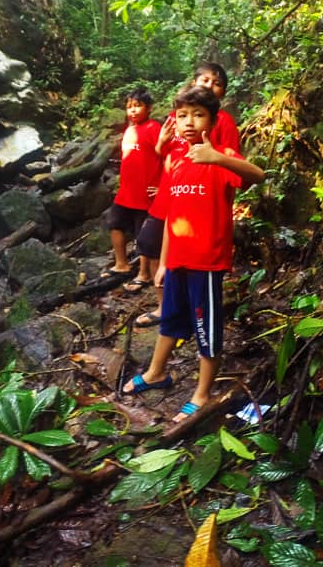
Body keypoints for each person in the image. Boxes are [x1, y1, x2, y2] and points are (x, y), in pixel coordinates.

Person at [122, 85, 265, 423]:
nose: (189, 122)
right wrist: (165, 262)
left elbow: (258, 176)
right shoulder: (175, 158)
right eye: (182, 115)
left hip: (207, 262)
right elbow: (173, 215)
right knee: (170, 320)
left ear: (213, 121)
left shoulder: (222, 156)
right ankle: (156, 372)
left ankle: (201, 395)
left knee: (207, 332)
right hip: (179, 262)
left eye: (198, 115)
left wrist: (218, 157)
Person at [129, 61, 240, 318]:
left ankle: (187, 309)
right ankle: (164, 306)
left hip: (198, 196)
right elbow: (165, 155)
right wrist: (160, 145)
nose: (210, 85)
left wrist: (224, 208)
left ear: (222, 93)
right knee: (148, 241)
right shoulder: (176, 116)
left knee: (183, 254)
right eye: (206, 80)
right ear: (194, 82)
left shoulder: (222, 122)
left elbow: (231, 167)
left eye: (217, 83)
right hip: (171, 190)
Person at [105, 88, 162, 275]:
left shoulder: (154, 128)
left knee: (142, 235)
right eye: (129, 107)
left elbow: (166, 156)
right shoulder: (129, 130)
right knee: (114, 222)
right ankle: (121, 263)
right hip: (126, 191)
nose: (133, 110)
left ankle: (143, 273)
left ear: (149, 108)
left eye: (138, 106)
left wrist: (162, 186)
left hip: (145, 193)